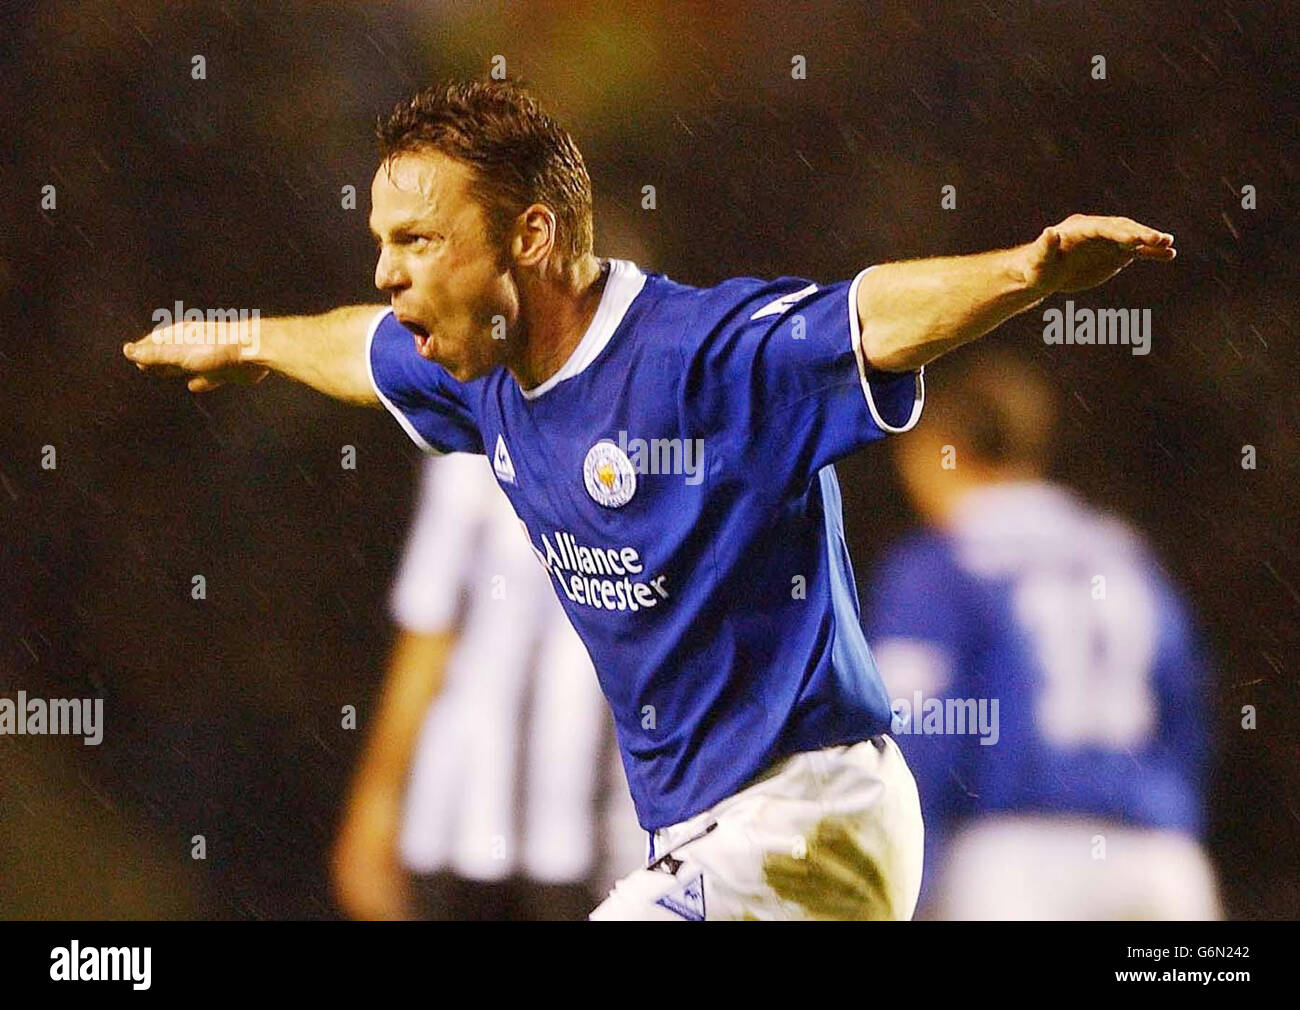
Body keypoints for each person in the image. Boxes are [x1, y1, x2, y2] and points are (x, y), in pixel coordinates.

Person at [123, 78, 1177, 920]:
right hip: (700, 838)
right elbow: (358, 348)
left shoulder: (698, 356)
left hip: (812, 820)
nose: (389, 272)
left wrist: (1029, 272)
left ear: (528, 238)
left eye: (417, 240)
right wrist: (255, 340)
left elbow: (868, 317)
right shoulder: (479, 376)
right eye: (381, 243)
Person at [868, 350, 1220, 919]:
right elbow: (1186, 713)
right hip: (1160, 861)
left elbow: (918, 733)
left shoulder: (942, 563)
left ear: (938, 451)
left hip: (1018, 861)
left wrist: (906, 879)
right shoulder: (1124, 554)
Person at [331, 452, 642, 921]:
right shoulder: (483, 422)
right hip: (469, 826)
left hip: (614, 834)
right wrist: (377, 802)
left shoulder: (674, 427)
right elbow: (430, 620)